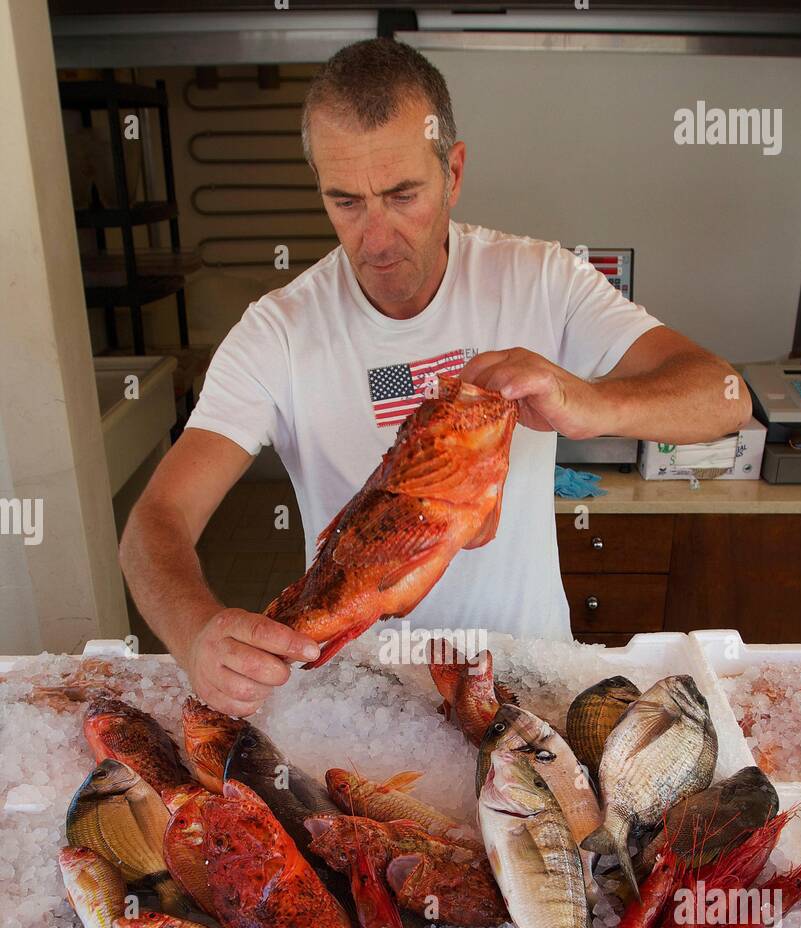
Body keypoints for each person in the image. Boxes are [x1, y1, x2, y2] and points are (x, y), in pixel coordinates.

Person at [119, 38, 749, 717]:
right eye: (346, 202)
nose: (377, 239)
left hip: (527, 676)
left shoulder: (540, 279)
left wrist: (590, 401)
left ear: (453, 170)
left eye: (402, 195)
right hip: (358, 695)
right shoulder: (276, 331)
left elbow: (724, 397)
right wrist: (194, 631)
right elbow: (157, 520)